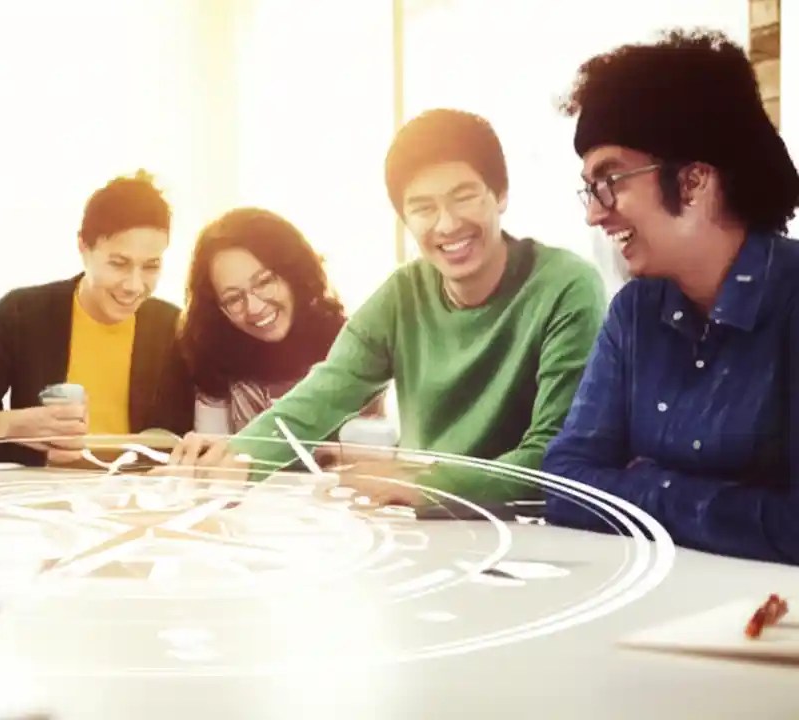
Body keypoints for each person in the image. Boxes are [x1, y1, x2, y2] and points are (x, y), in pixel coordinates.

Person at [165, 109, 605, 506]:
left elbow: (556, 451)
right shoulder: (402, 294)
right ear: (406, 219)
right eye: (423, 207)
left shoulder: (567, 286)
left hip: (532, 526)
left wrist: (423, 483)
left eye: (464, 196)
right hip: (425, 528)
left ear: (500, 194)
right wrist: (237, 459)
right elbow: (323, 393)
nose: (447, 224)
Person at [543, 30, 799, 565]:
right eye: (590, 187)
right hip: (651, 611)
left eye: (610, 179)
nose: (594, 212)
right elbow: (565, 483)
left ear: (694, 182)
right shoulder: (635, 312)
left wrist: (652, 485)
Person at [0, 171, 194, 465]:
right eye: (118, 263)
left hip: (139, 499)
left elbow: (183, 439)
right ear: (83, 247)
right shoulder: (21, 313)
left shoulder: (172, 328)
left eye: (151, 266)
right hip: (40, 497)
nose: (134, 285)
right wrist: (7, 426)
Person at [180, 207, 379, 433]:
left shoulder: (352, 347)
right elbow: (212, 452)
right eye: (233, 298)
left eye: (264, 282)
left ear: (293, 273)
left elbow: (374, 451)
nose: (254, 308)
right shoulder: (214, 358)